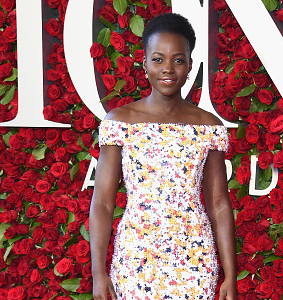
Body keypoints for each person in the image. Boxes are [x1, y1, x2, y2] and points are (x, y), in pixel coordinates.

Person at [89, 13, 237, 300]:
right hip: (134, 261)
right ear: (144, 63)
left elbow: (219, 204)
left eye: (178, 60)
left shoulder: (208, 126)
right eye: (158, 59)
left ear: (190, 65)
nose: (168, 68)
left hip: (196, 261)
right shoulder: (120, 121)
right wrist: (98, 273)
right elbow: (104, 203)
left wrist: (229, 275)